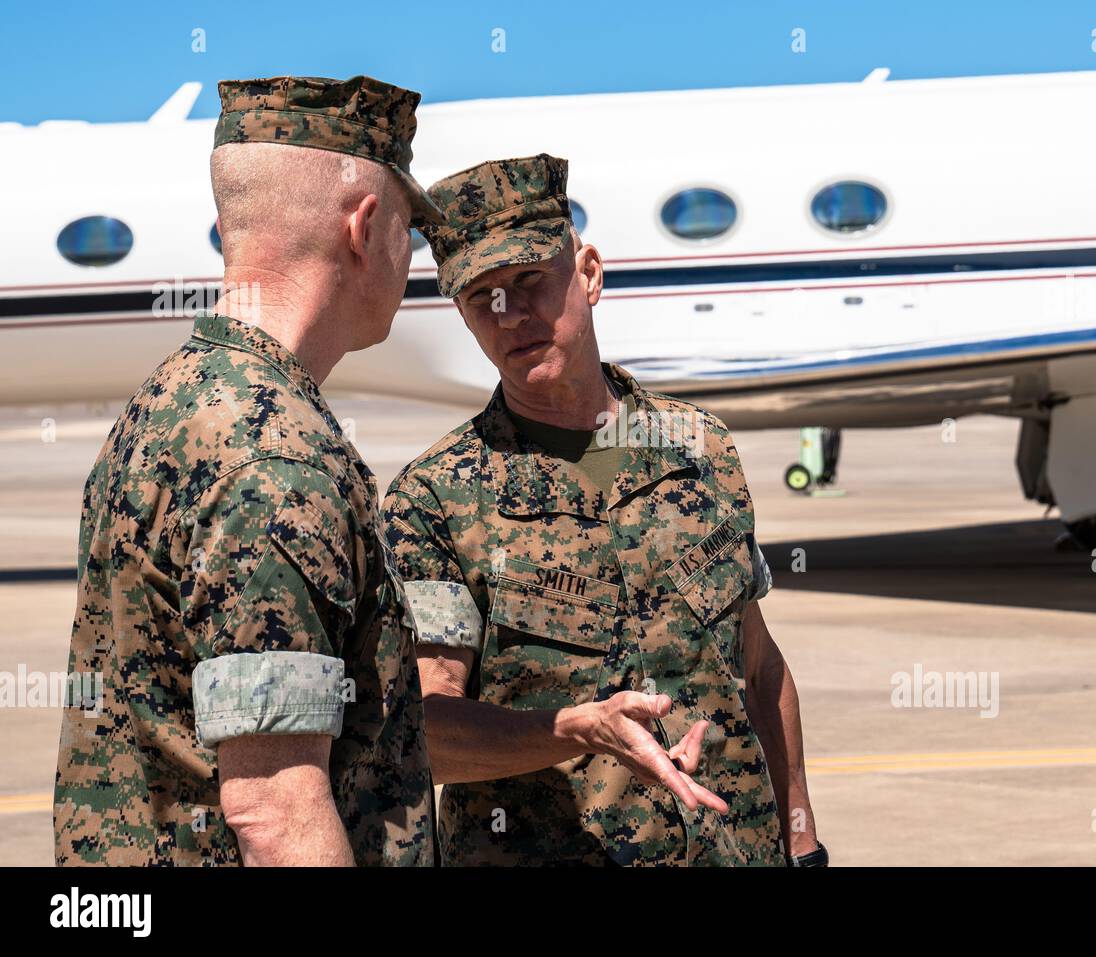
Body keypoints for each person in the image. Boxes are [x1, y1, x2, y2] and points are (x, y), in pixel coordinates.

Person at [383, 153, 825, 866]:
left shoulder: (701, 447)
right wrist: (571, 730)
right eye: (482, 297)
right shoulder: (434, 499)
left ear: (588, 273)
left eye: (530, 280)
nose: (511, 314)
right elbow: (424, 731)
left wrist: (800, 834)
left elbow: (760, 664)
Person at [54, 75, 440, 866]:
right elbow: (274, 810)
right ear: (365, 227)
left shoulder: (169, 399)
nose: (414, 256)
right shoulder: (275, 457)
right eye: (411, 229)